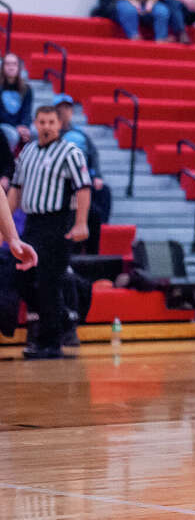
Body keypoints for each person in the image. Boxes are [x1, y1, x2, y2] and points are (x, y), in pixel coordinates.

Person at [9, 106, 91, 359]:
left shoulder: (71, 152)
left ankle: (50, 343)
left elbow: (84, 188)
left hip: (58, 224)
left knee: (48, 282)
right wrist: (5, 227)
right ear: (35, 123)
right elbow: (15, 190)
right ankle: (63, 317)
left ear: (59, 124)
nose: (46, 126)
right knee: (20, 278)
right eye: (42, 121)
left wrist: (81, 223)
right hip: (32, 224)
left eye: (51, 122)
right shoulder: (28, 152)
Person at [55, 96, 111, 255]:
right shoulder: (52, 134)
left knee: (102, 195)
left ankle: (94, 254)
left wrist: (97, 175)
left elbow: (93, 154)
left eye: (67, 109)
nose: (64, 112)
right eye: (61, 109)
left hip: (84, 182)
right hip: (66, 185)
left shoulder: (80, 134)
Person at [0, 53, 33, 151]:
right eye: (8, 64)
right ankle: (7, 164)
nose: (11, 67)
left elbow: (27, 111)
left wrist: (25, 126)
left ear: (19, 68)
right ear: (2, 67)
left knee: (36, 132)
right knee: (12, 135)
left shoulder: (27, 89)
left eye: (14, 64)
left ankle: (31, 163)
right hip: (3, 124)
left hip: (20, 125)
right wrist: (16, 127)